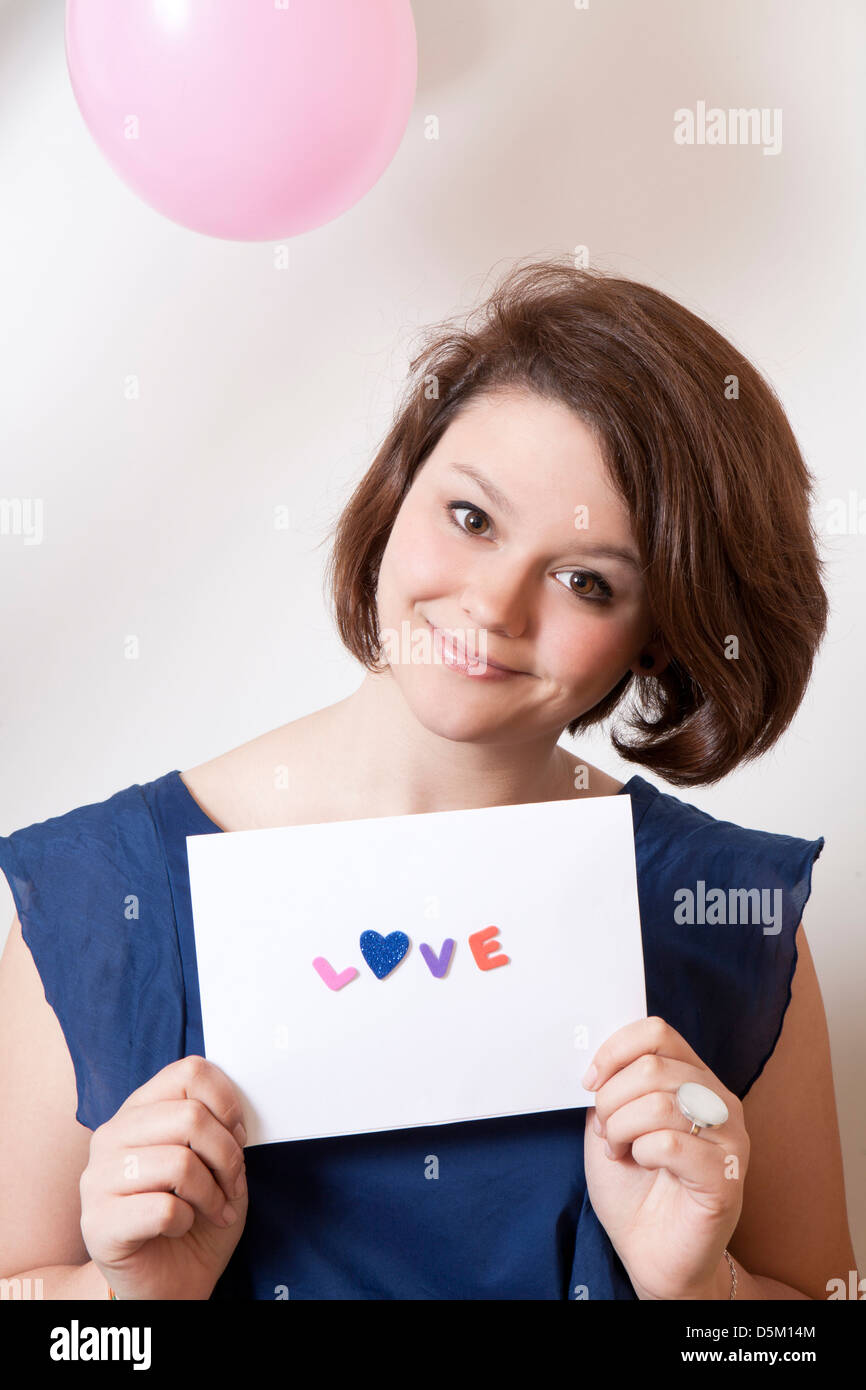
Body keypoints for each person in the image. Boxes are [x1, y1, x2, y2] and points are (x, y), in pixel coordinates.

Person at [0, 258, 857, 1300]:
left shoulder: (724, 915)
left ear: (658, 637)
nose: (494, 605)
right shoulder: (98, 896)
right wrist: (120, 1299)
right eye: (471, 517)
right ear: (401, 486)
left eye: (585, 580)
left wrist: (698, 1289)